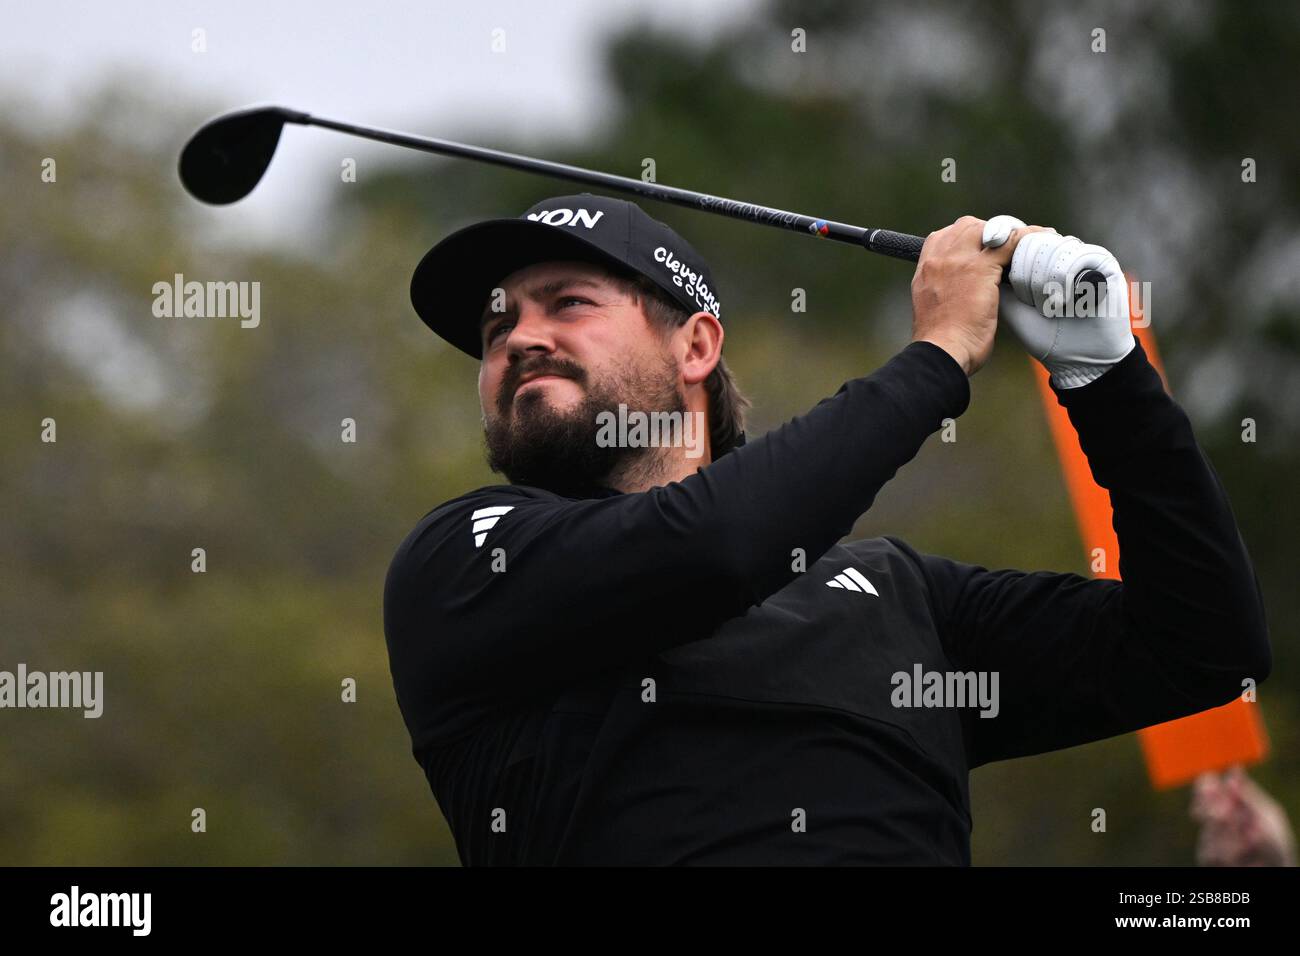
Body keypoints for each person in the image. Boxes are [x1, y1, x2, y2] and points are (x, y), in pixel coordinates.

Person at [382, 192, 1271, 865]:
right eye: (499, 323)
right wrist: (938, 356)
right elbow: (712, 548)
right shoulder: (470, 557)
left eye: (566, 302)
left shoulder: (900, 596)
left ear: (696, 347)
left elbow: (1200, 645)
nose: (519, 337)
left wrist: (1106, 376)